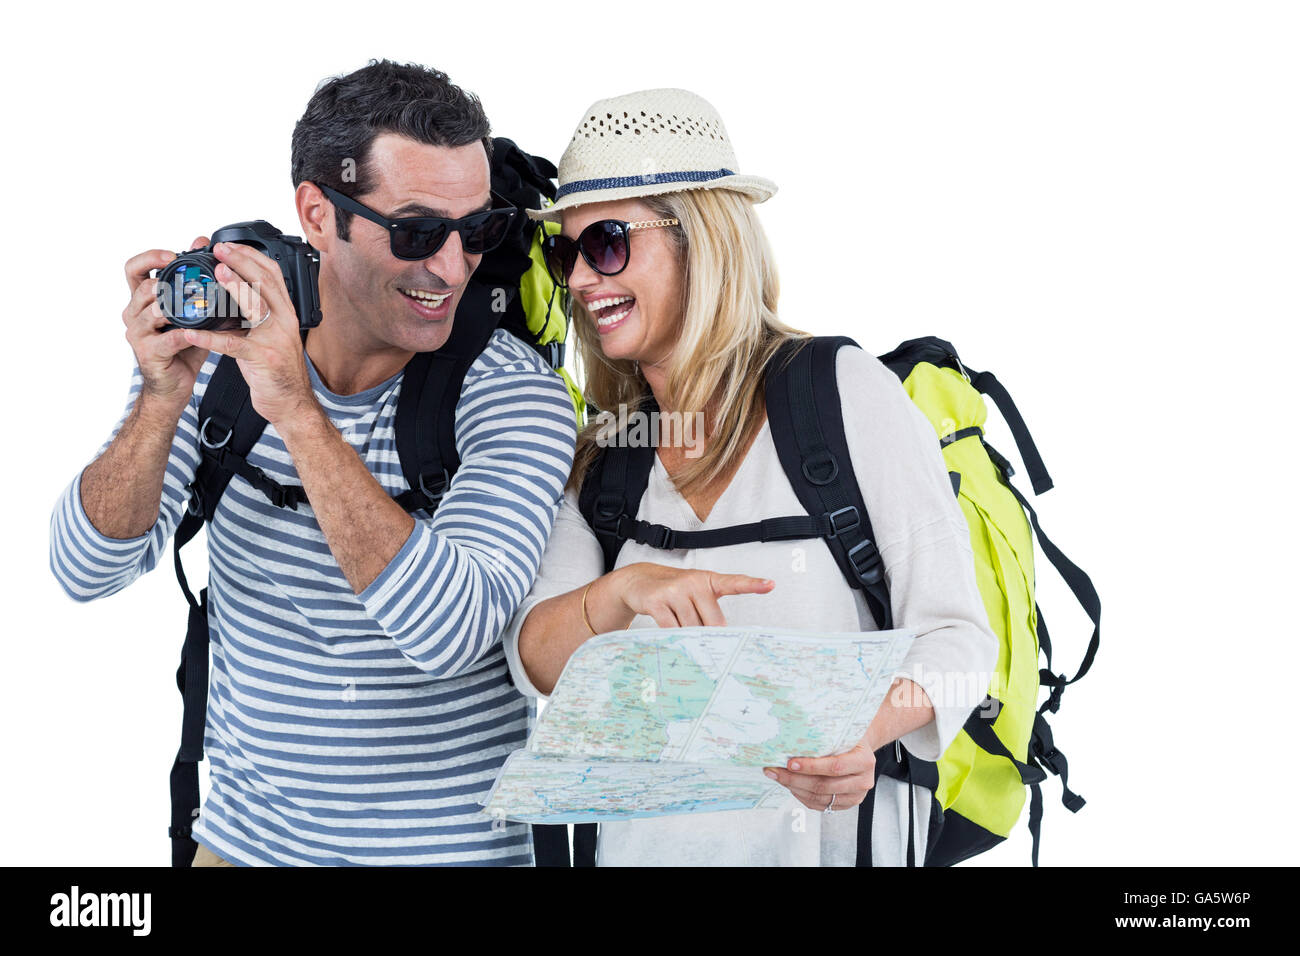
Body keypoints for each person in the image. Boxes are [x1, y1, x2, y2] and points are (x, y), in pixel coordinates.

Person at [48, 61, 576, 866]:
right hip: (242, 846)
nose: (451, 266)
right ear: (317, 213)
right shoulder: (223, 358)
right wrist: (161, 397)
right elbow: (82, 571)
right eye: (416, 231)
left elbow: (452, 633)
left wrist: (294, 409)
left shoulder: (512, 395)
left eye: (477, 231)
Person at [502, 88, 999, 866]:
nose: (581, 281)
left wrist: (860, 731)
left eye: (606, 242)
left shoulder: (841, 394)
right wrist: (620, 595)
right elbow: (538, 659)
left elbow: (960, 641)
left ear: (702, 235)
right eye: (566, 254)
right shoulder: (608, 449)